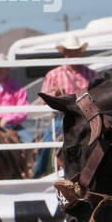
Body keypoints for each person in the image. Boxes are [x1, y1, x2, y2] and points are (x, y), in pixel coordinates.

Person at [38, 34, 98, 175]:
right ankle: (38, 173)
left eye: (75, 51)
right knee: (46, 144)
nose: (72, 54)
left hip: (86, 117)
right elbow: (42, 100)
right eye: (69, 51)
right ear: (64, 53)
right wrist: (54, 94)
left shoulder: (91, 74)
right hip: (62, 118)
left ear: (79, 53)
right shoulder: (53, 75)